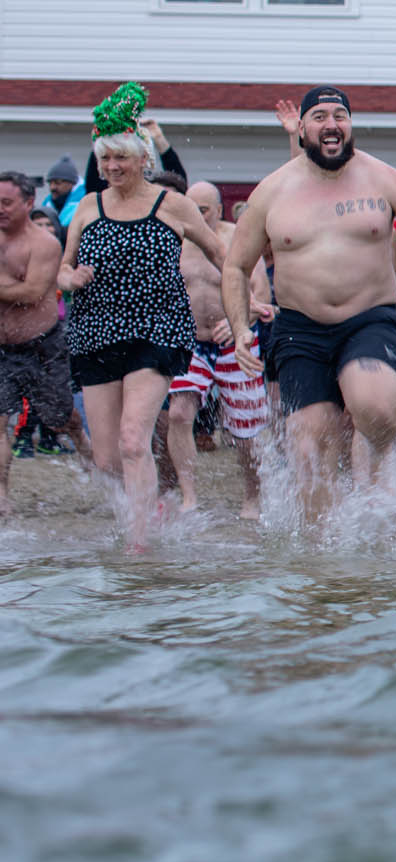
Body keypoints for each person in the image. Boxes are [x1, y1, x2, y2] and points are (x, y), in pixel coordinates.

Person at [225, 87, 396, 527]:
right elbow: (236, 266)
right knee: (309, 449)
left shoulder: (381, 178)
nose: (330, 124)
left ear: (350, 124)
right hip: (301, 330)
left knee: (375, 408)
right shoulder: (272, 191)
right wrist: (240, 326)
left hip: (369, 320)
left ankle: (378, 466)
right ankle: (324, 552)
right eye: (319, 116)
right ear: (301, 128)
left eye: (340, 115)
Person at [61, 86, 226, 542]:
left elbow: (222, 256)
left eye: (121, 158)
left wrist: (245, 303)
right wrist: (68, 280)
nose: (112, 167)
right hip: (94, 332)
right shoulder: (88, 208)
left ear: (142, 158)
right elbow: (64, 266)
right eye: (105, 159)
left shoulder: (172, 204)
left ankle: (139, 542)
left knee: (135, 440)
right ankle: (152, 507)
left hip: (155, 330)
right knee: (108, 459)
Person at [163, 180, 272, 519]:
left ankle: (252, 496)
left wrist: (238, 317)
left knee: (244, 430)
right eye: (191, 209)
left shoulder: (236, 240)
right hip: (189, 340)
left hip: (235, 340)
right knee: (179, 412)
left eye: (203, 210)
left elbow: (263, 298)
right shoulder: (174, 242)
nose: (196, 216)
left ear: (219, 210)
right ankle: (189, 496)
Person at [0, 171, 68, 517]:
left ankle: (97, 470)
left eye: (6, 203)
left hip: (43, 345)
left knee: (63, 420)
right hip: (2, 349)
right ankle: (2, 498)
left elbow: (31, 292)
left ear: (28, 203)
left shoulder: (45, 244)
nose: (0, 209)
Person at [38, 156, 84, 229]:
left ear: (72, 183)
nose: (52, 188)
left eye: (57, 183)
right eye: (50, 183)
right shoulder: (47, 203)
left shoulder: (83, 204)